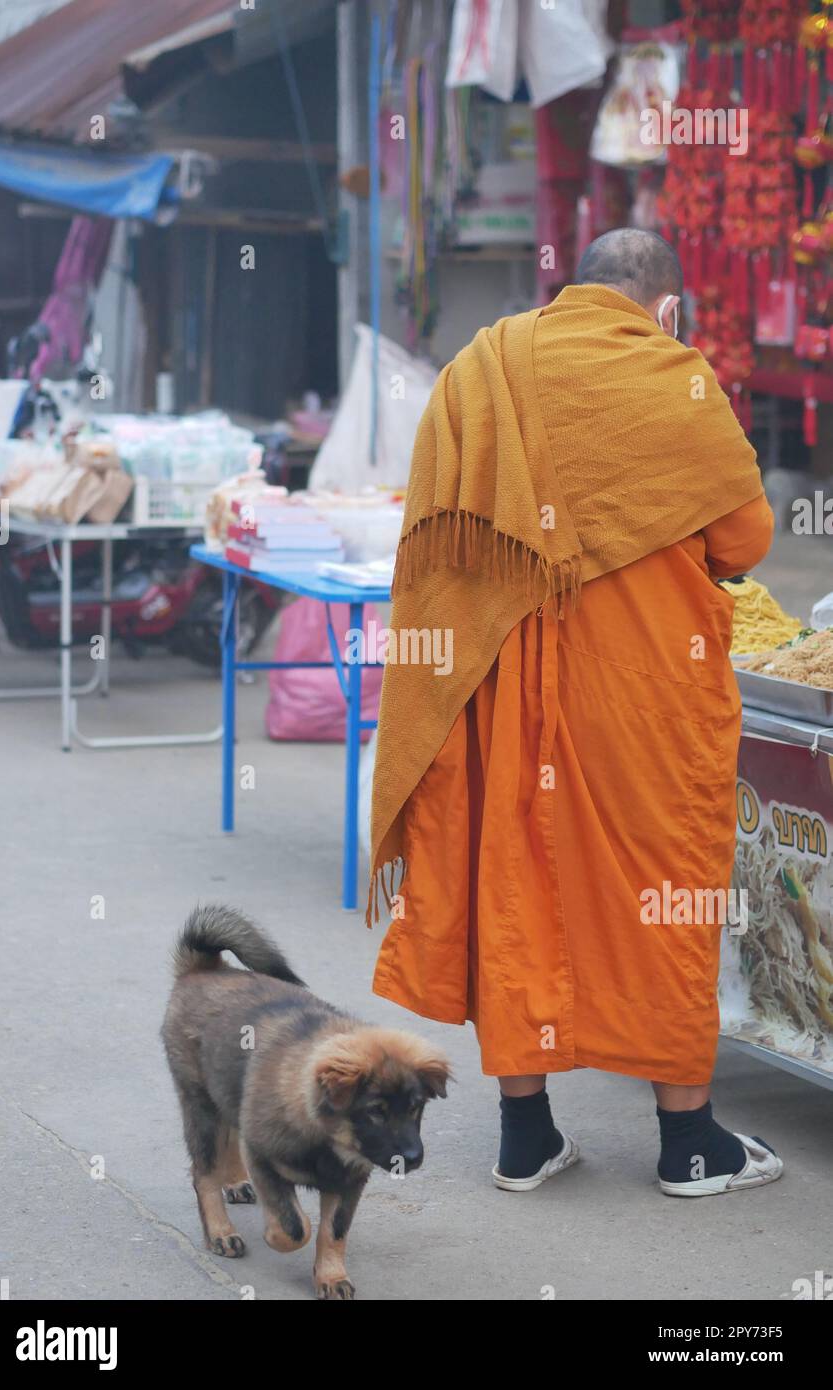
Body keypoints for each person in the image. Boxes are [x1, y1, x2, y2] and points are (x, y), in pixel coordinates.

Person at [367, 228, 779, 1198]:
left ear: (569, 290)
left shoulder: (481, 368)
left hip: (504, 685)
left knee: (520, 886)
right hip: (643, 697)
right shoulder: (675, 379)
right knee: (663, 886)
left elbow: (435, 547)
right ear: (664, 308)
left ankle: (525, 1134)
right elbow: (748, 536)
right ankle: (689, 1142)